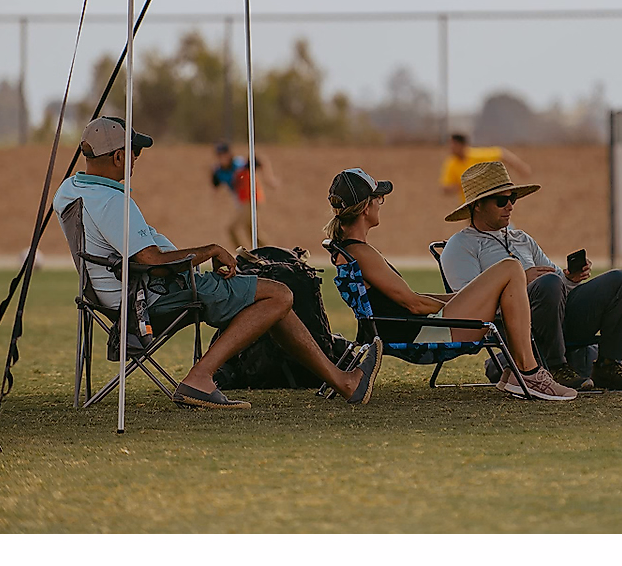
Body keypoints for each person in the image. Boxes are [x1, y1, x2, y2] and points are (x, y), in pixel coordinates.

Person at [56, 118, 381, 410]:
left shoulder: (70, 190)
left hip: (111, 295)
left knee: (264, 298)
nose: (136, 159)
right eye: (135, 152)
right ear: (118, 157)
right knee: (279, 295)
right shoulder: (113, 202)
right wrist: (211, 250)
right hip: (153, 295)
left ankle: (342, 381)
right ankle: (200, 377)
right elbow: (152, 261)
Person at [325, 166, 577, 401]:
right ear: (365, 208)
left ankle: (519, 370)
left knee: (505, 274)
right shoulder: (362, 253)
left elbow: (406, 299)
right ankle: (529, 372)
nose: (381, 204)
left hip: (413, 327)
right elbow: (412, 304)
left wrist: (463, 299)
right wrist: (457, 308)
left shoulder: (348, 251)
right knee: (511, 268)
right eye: (378, 199)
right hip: (424, 333)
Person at [439, 161, 622, 391]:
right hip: (518, 326)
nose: (510, 206)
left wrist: (571, 278)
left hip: (557, 314)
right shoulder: (461, 246)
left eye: (512, 199)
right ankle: (555, 368)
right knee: (548, 284)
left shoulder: (522, 239)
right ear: (477, 205)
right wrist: (516, 283)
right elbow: (468, 306)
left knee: (620, 280)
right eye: (501, 201)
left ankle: (608, 365)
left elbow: (556, 281)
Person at [212, 141, 279, 250]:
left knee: (232, 228)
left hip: (252, 198)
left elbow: (260, 161)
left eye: (224, 155)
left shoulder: (239, 164)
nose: (222, 158)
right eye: (219, 156)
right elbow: (215, 185)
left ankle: (242, 254)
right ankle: (271, 253)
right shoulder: (219, 171)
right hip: (241, 201)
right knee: (252, 231)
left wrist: (269, 179)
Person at [440, 133, 531, 203]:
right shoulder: (451, 163)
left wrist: (521, 168)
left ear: (462, 145)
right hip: (470, 204)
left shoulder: (476, 156)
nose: (450, 148)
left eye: (453, 145)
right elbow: (445, 188)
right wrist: (466, 184)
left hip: (489, 200)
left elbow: (502, 153)